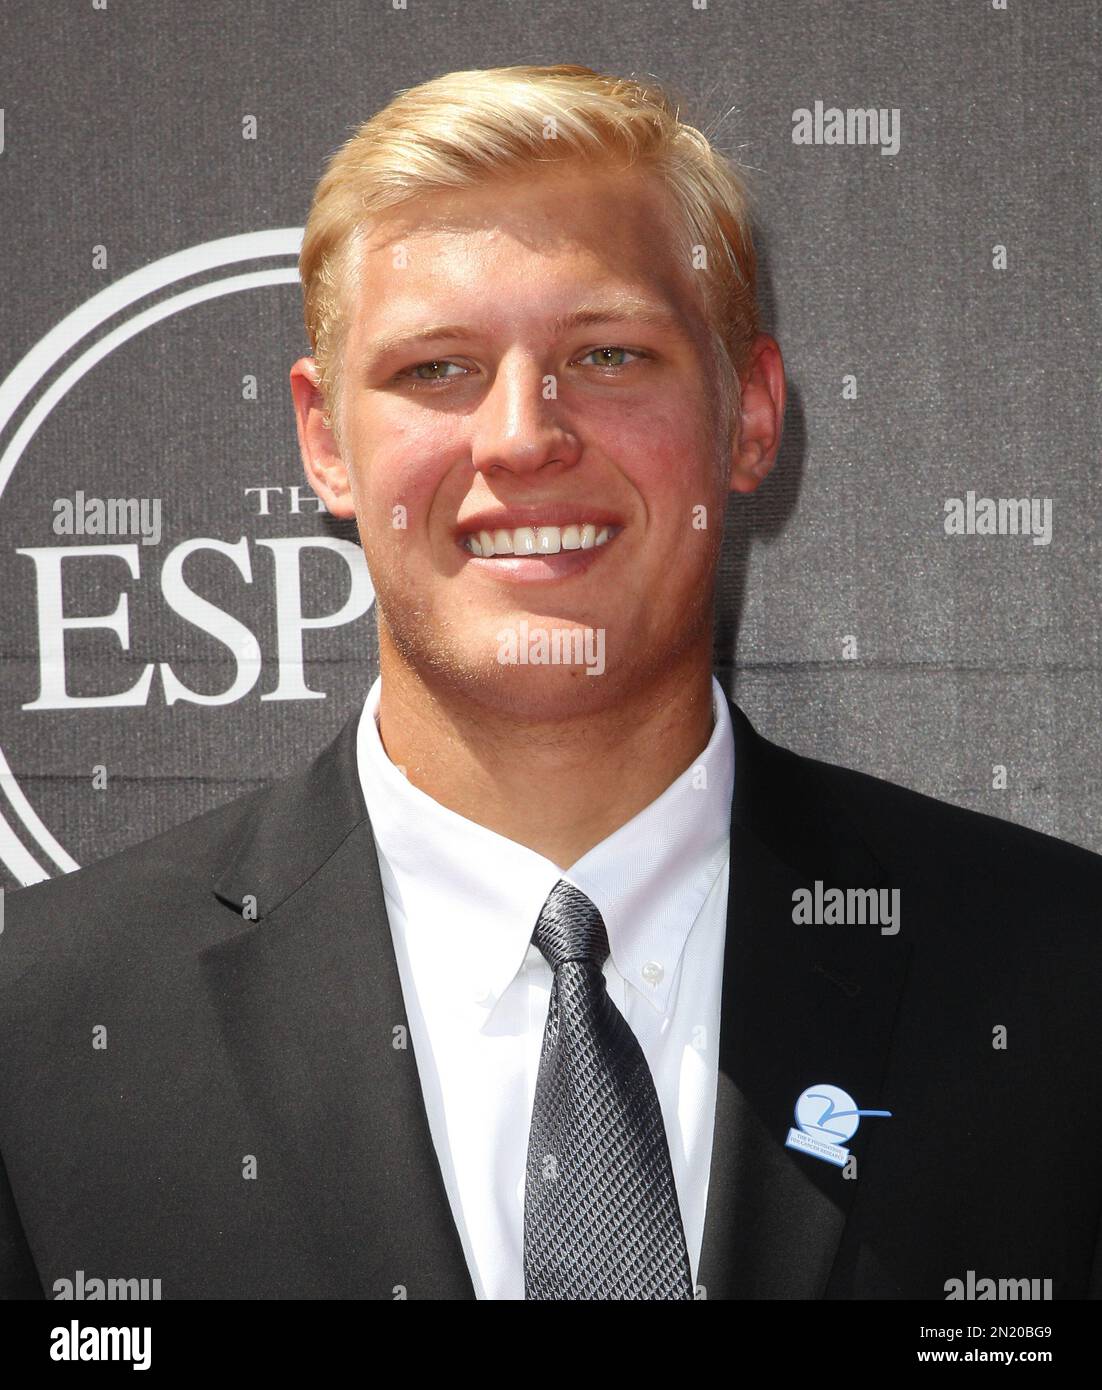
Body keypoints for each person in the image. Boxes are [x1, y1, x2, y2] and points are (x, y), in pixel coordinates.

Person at [2, 64, 1100, 1302]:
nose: (524, 434)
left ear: (748, 413)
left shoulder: (1057, 980)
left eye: (611, 352)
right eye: (435, 371)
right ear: (323, 441)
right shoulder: (35, 1025)